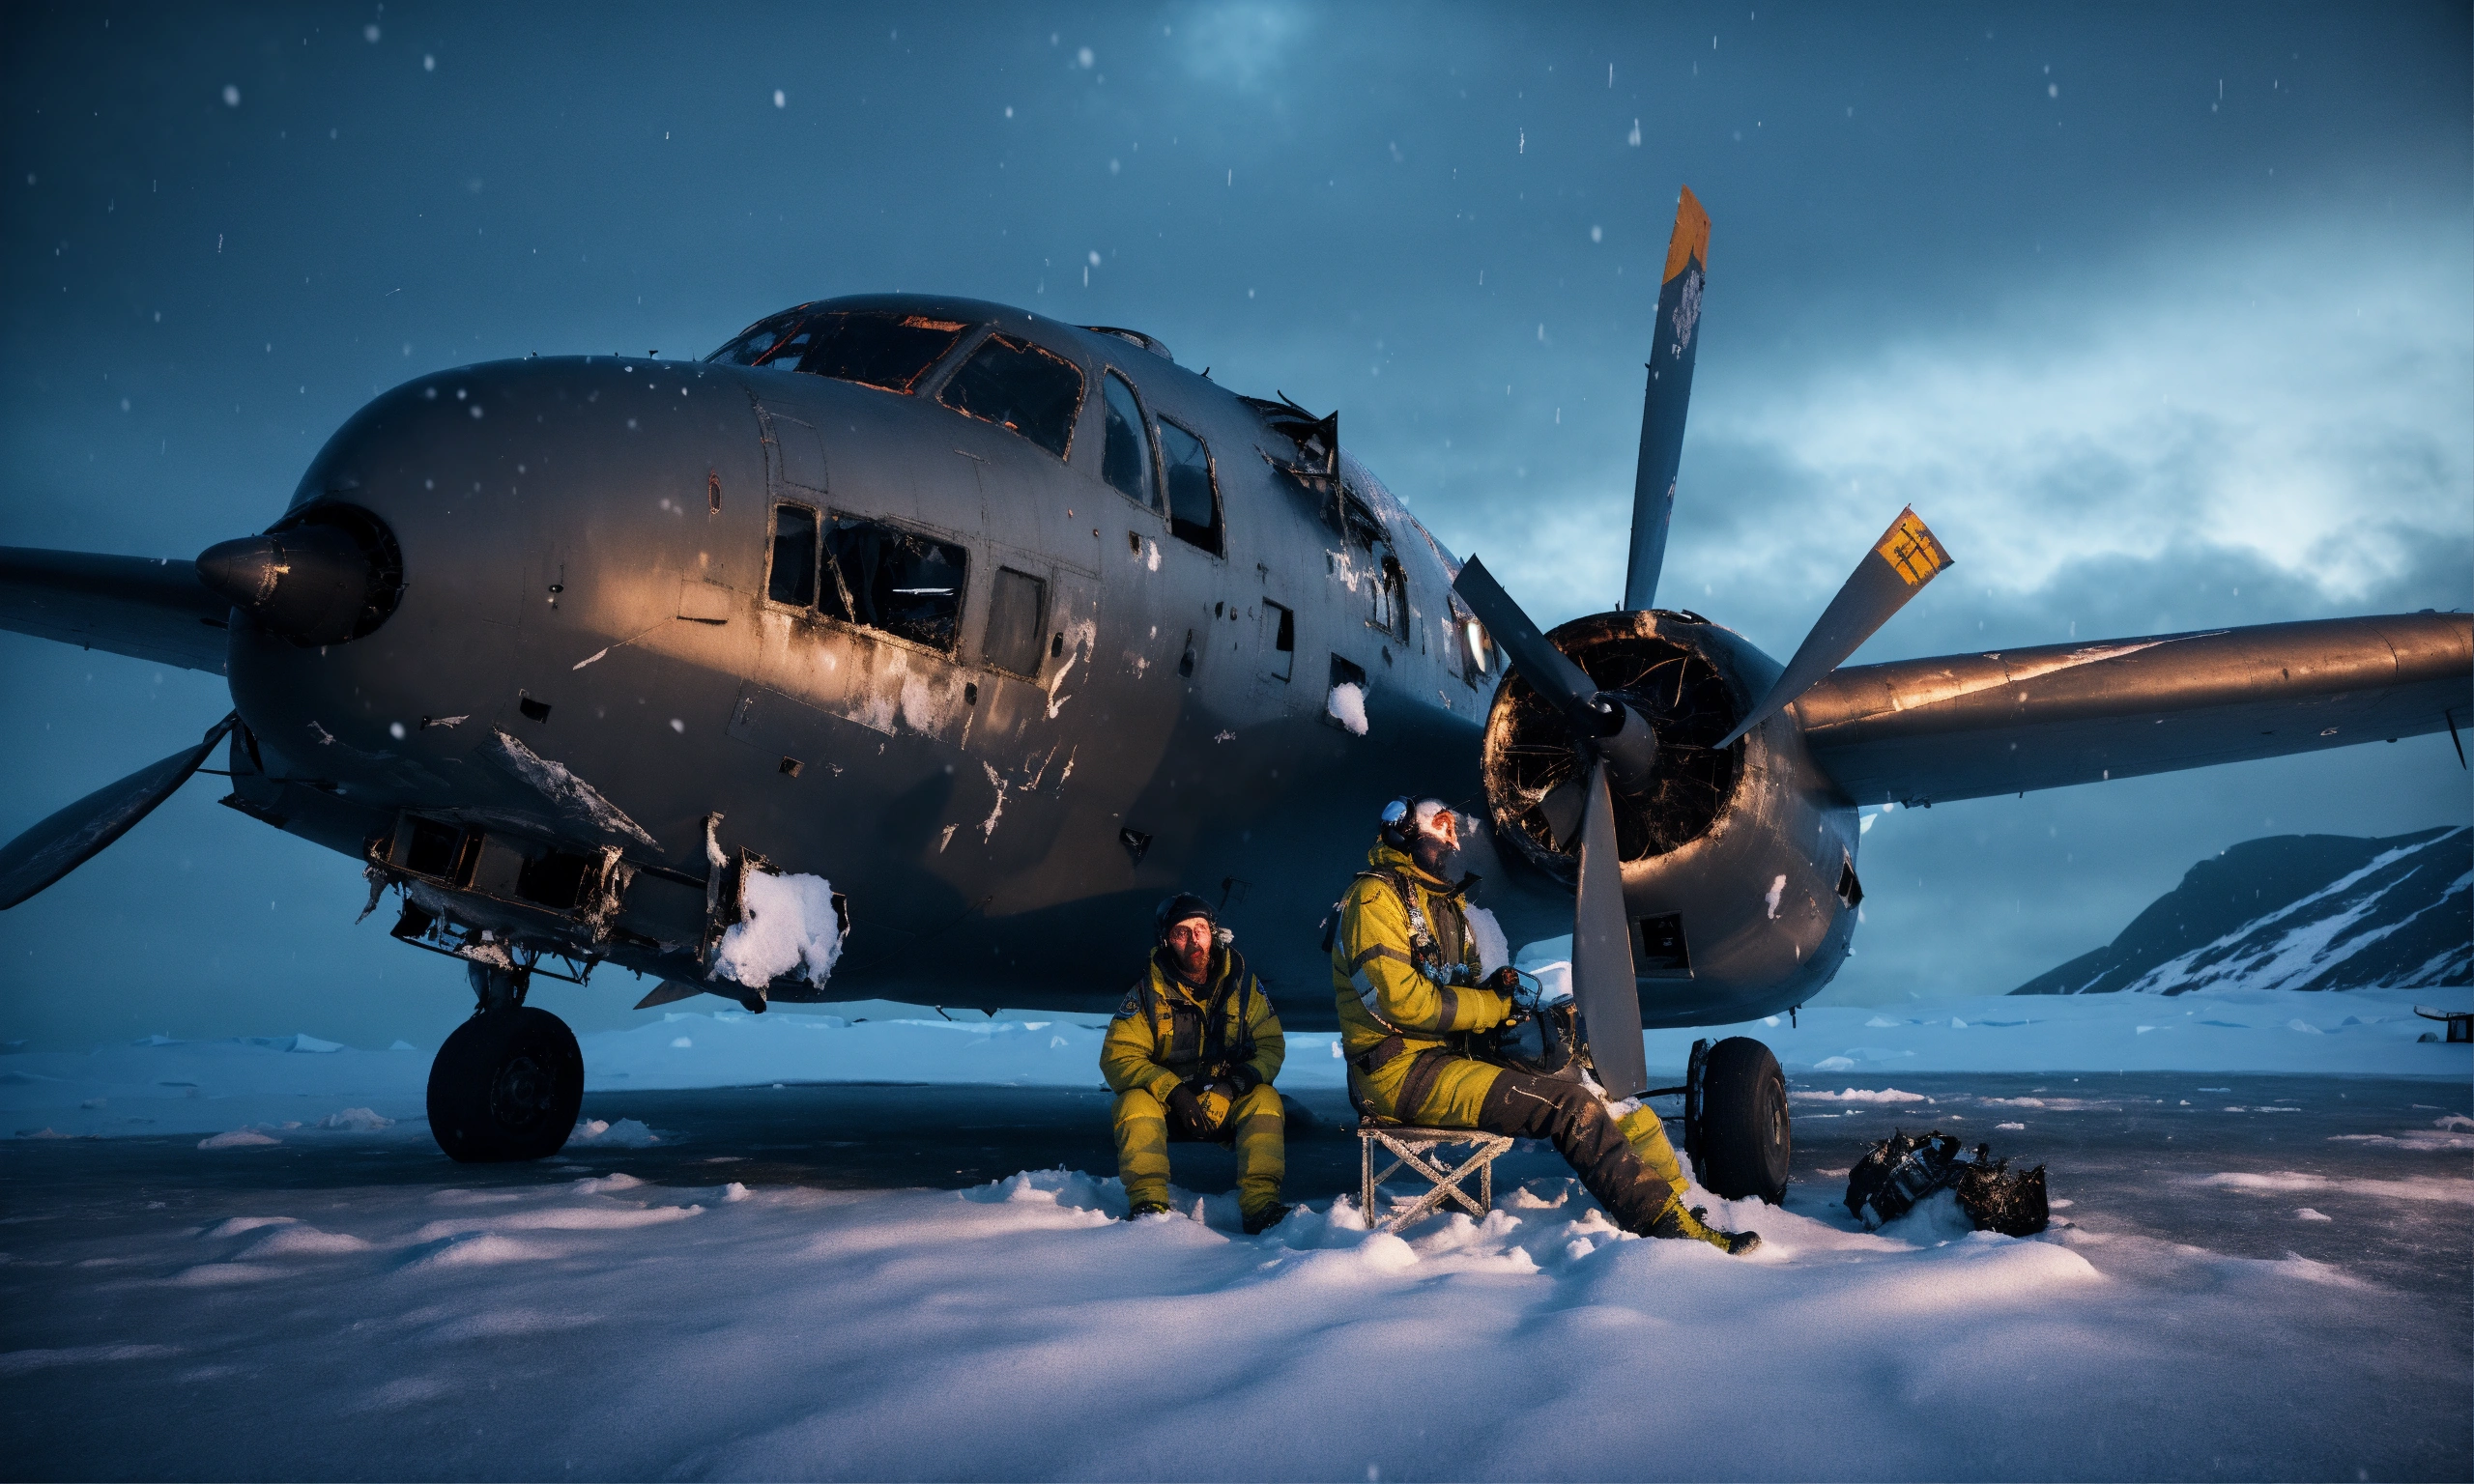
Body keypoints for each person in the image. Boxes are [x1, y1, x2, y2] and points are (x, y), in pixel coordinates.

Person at [1331, 797, 1759, 1253]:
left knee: (1585, 1077)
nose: (1451, 839)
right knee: (1569, 1108)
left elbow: (1469, 983)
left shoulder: (1444, 906)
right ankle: (1664, 1226)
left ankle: (1678, 1196)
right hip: (1400, 1075)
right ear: (1404, 832)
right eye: (1439, 826)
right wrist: (1493, 1007)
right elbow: (1402, 1001)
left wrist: (1508, 997)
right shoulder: (1374, 899)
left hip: (1446, 1056)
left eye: (1453, 828)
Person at [1101, 893, 1291, 1233]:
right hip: (1170, 1107)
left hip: (1224, 1101)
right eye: (1181, 933)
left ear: (1213, 934)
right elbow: (1118, 1056)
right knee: (1133, 1103)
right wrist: (1173, 1092)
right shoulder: (1147, 993)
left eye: (1200, 929)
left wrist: (1231, 1088)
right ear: (1166, 941)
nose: (1193, 941)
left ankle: (1261, 1207)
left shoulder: (1244, 987)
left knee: (1264, 1100)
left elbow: (1271, 1046)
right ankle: (1149, 1206)